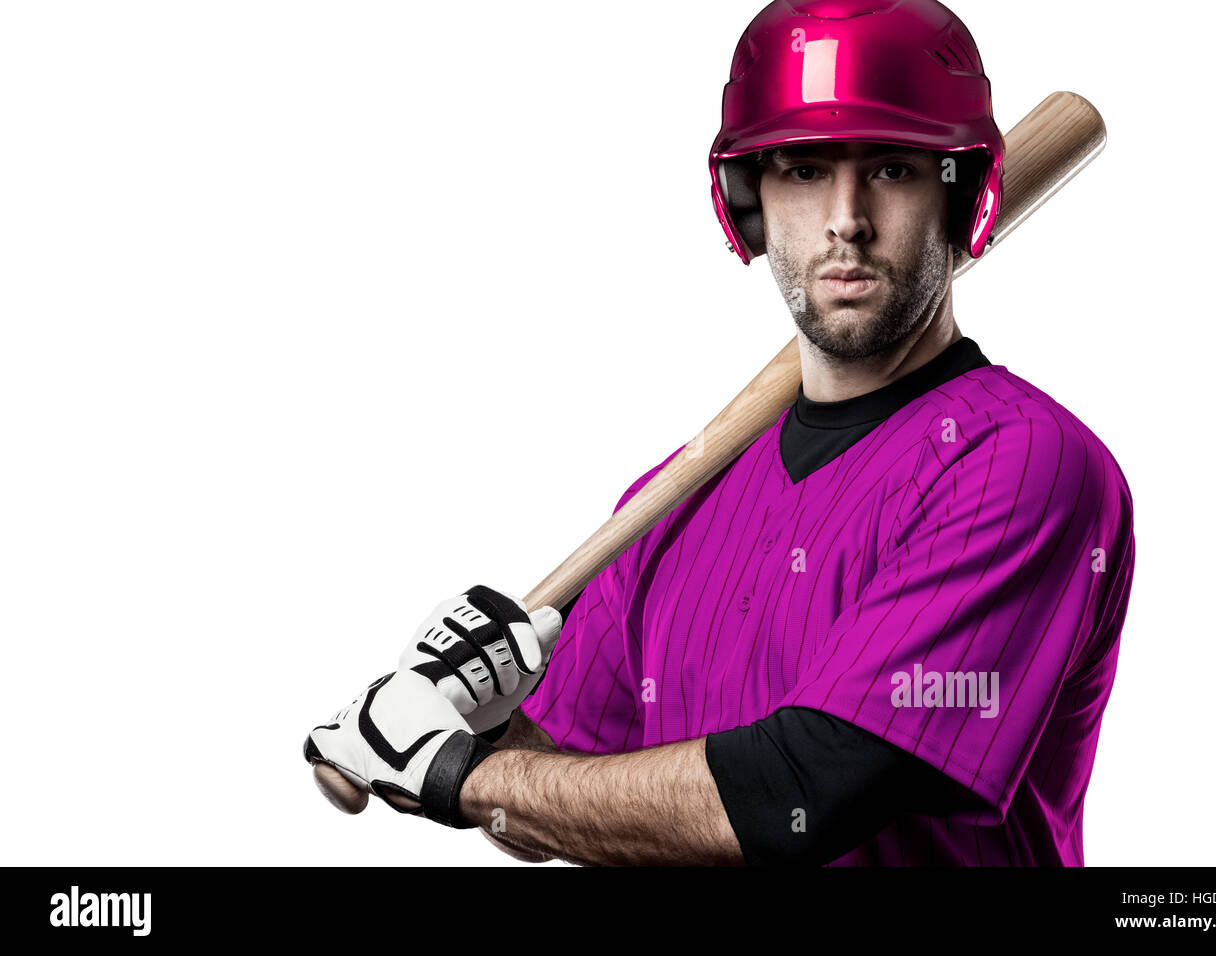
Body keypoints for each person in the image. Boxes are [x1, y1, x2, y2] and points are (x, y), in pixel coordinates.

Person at [305, 0, 1135, 867]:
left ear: (962, 193)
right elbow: (576, 795)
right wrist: (481, 719)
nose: (845, 219)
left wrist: (457, 777)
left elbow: (807, 791)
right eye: (803, 171)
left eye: (891, 169)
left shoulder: (1023, 462)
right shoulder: (673, 499)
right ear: (748, 203)